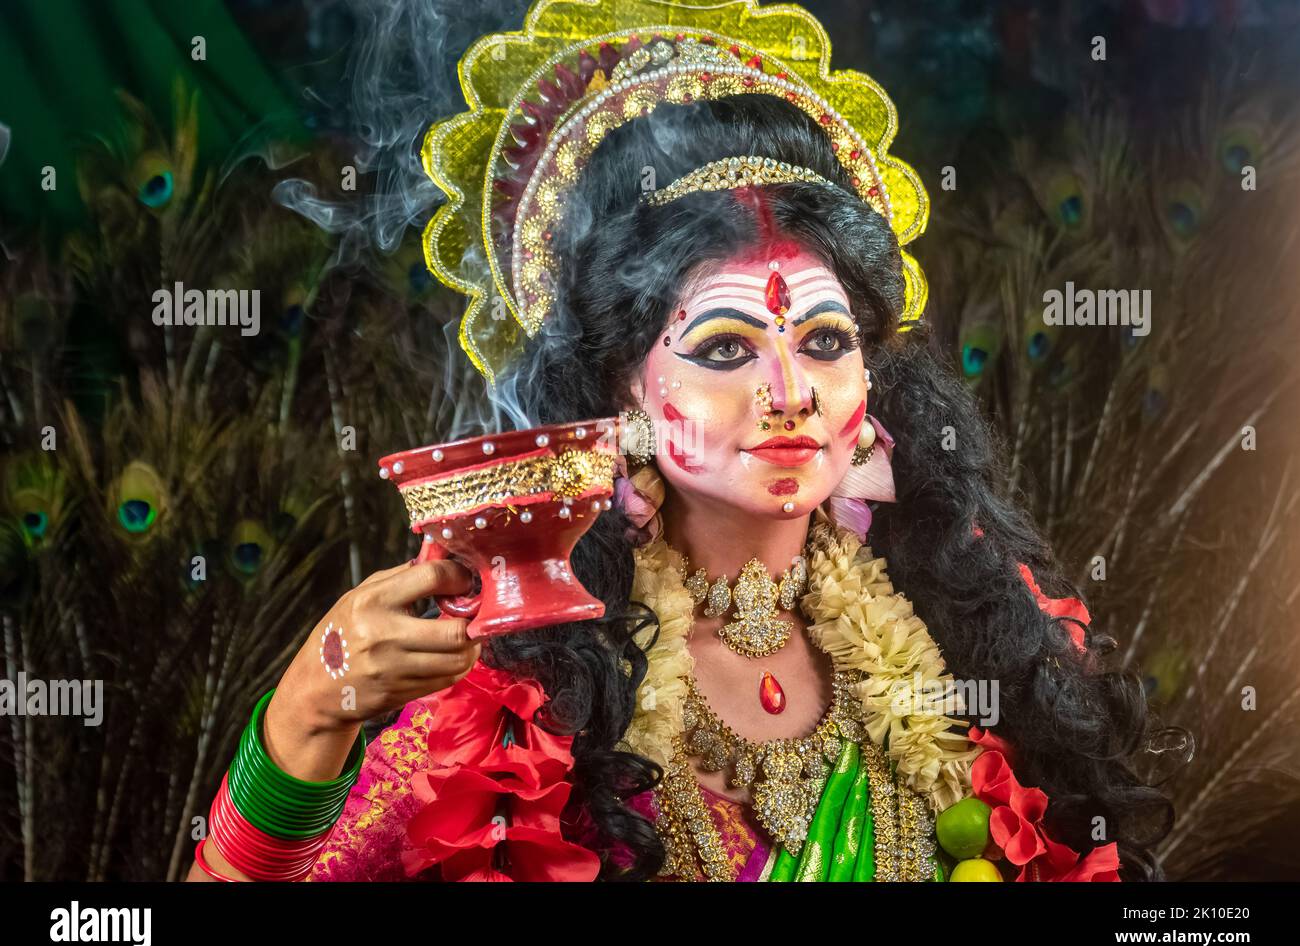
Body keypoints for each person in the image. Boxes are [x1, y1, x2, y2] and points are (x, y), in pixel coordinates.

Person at [188, 0, 1170, 883]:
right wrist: (307, 712)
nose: (789, 394)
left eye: (826, 341)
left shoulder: (980, 633)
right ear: (625, 385)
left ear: (871, 371)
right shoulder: (528, 699)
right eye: (725, 347)